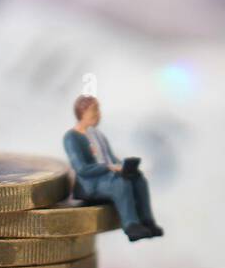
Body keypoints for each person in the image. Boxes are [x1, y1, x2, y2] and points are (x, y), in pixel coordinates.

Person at [63, 96, 162, 242]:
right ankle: (131, 225)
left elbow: (110, 158)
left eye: (98, 110)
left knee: (138, 179)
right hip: (89, 185)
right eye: (94, 111)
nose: (98, 114)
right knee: (120, 183)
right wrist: (107, 167)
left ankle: (147, 221)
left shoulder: (97, 134)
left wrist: (123, 166)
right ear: (82, 113)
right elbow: (82, 169)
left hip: (108, 177)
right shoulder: (72, 137)